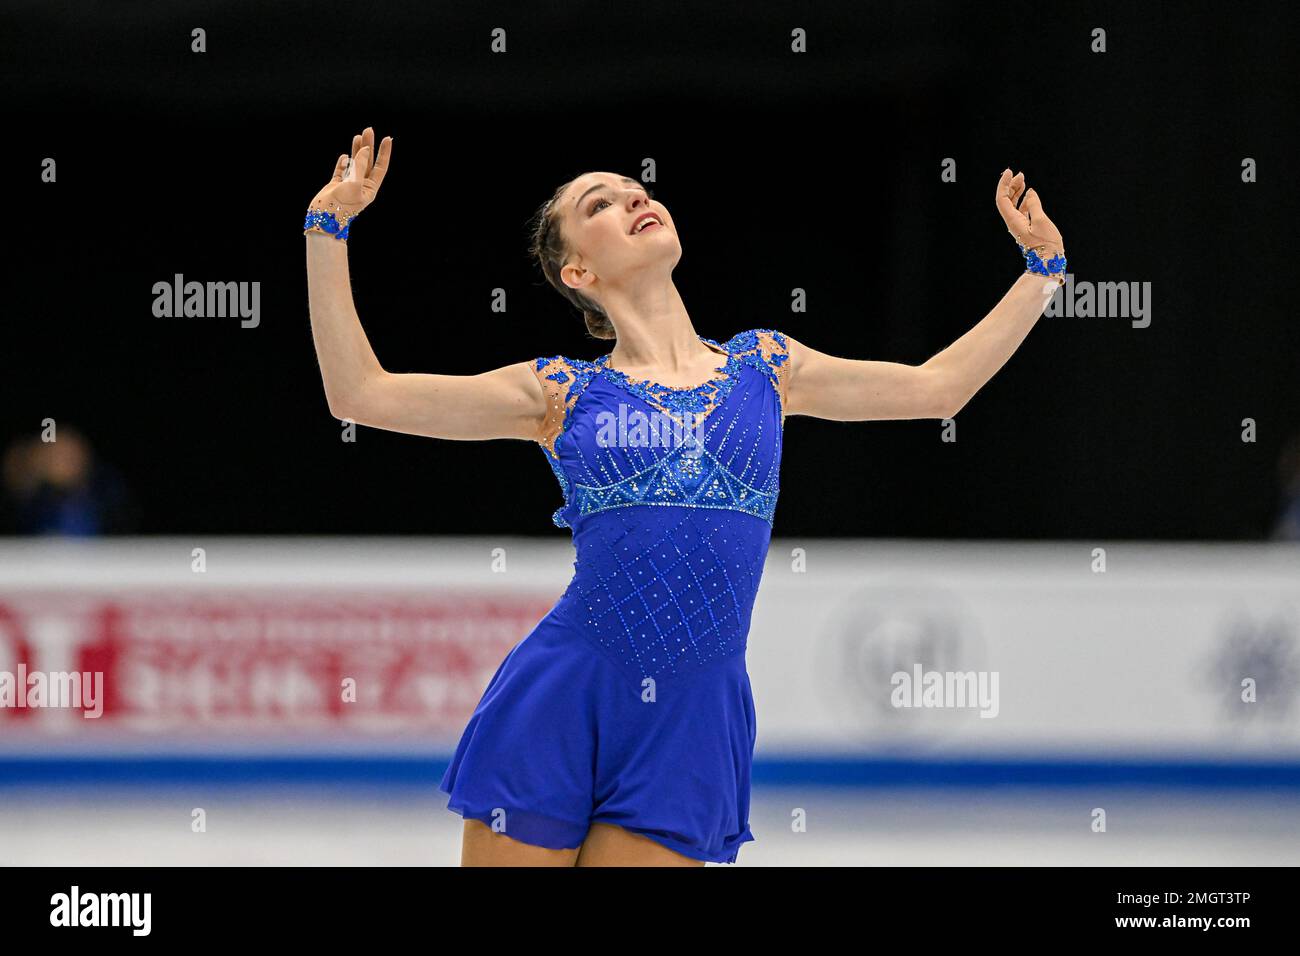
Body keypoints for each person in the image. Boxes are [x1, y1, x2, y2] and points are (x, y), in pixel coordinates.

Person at [303, 126, 1067, 866]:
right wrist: (327, 229)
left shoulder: (766, 367)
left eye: (637, 190)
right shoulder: (563, 391)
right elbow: (359, 394)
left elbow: (939, 389)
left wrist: (1042, 271)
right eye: (599, 204)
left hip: (693, 718)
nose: (635, 200)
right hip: (566, 697)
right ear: (577, 273)